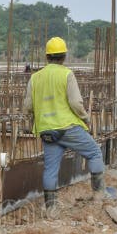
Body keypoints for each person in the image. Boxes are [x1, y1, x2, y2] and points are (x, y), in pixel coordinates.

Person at [23, 37, 106, 211]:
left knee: (50, 170)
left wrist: (32, 119)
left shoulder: (35, 78)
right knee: (94, 153)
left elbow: (27, 106)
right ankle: (99, 196)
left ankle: (51, 209)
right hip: (67, 127)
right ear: (64, 56)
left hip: (46, 130)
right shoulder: (67, 74)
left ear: (47, 56)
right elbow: (76, 103)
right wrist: (85, 118)